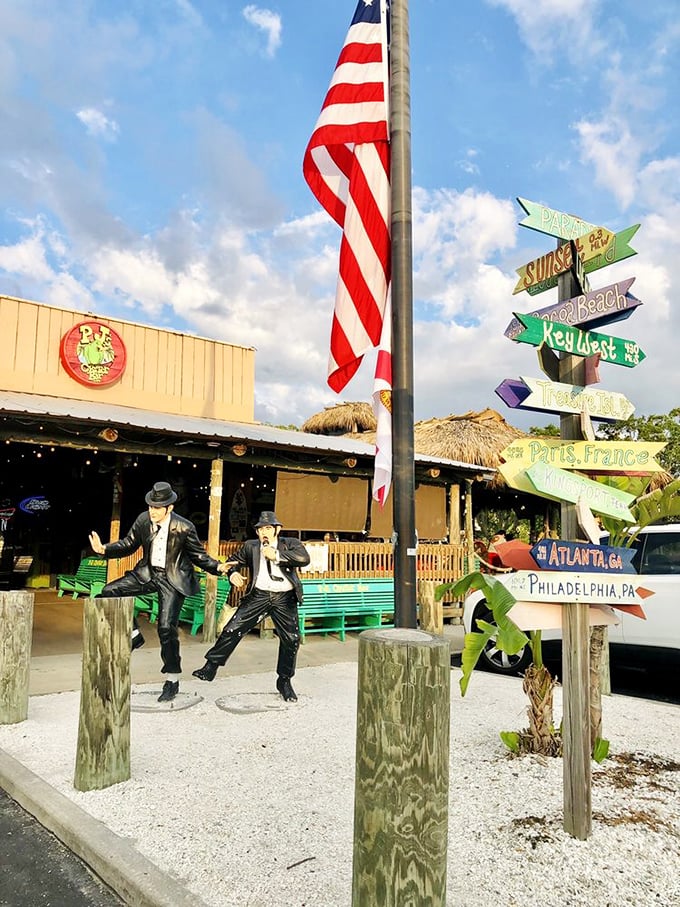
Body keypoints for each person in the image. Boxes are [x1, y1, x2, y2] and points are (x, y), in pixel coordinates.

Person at [88, 481, 229, 703]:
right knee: (108, 592)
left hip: (173, 579)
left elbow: (198, 556)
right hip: (147, 573)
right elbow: (129, 543)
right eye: (150, 506)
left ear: (169, 508)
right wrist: (104, 549)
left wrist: (219, 568)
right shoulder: (144, 520)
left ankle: (172, 679)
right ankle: (134, 635)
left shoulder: (184, 527)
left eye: (157, 507)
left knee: (166, 627)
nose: (152, 511)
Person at [192, 511, 310, 702]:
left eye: (268, 528)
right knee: (232, 628)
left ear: (277, 529)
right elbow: (232, 562)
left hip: (284, 597)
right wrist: (232, 574)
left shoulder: (290, 543)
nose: (264, 532)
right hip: (259, 595)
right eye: (261, 529)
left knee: (291, 638)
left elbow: (304, 558)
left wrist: (277, 555)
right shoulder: (251, 546)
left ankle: (285, 680)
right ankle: (211, 665)